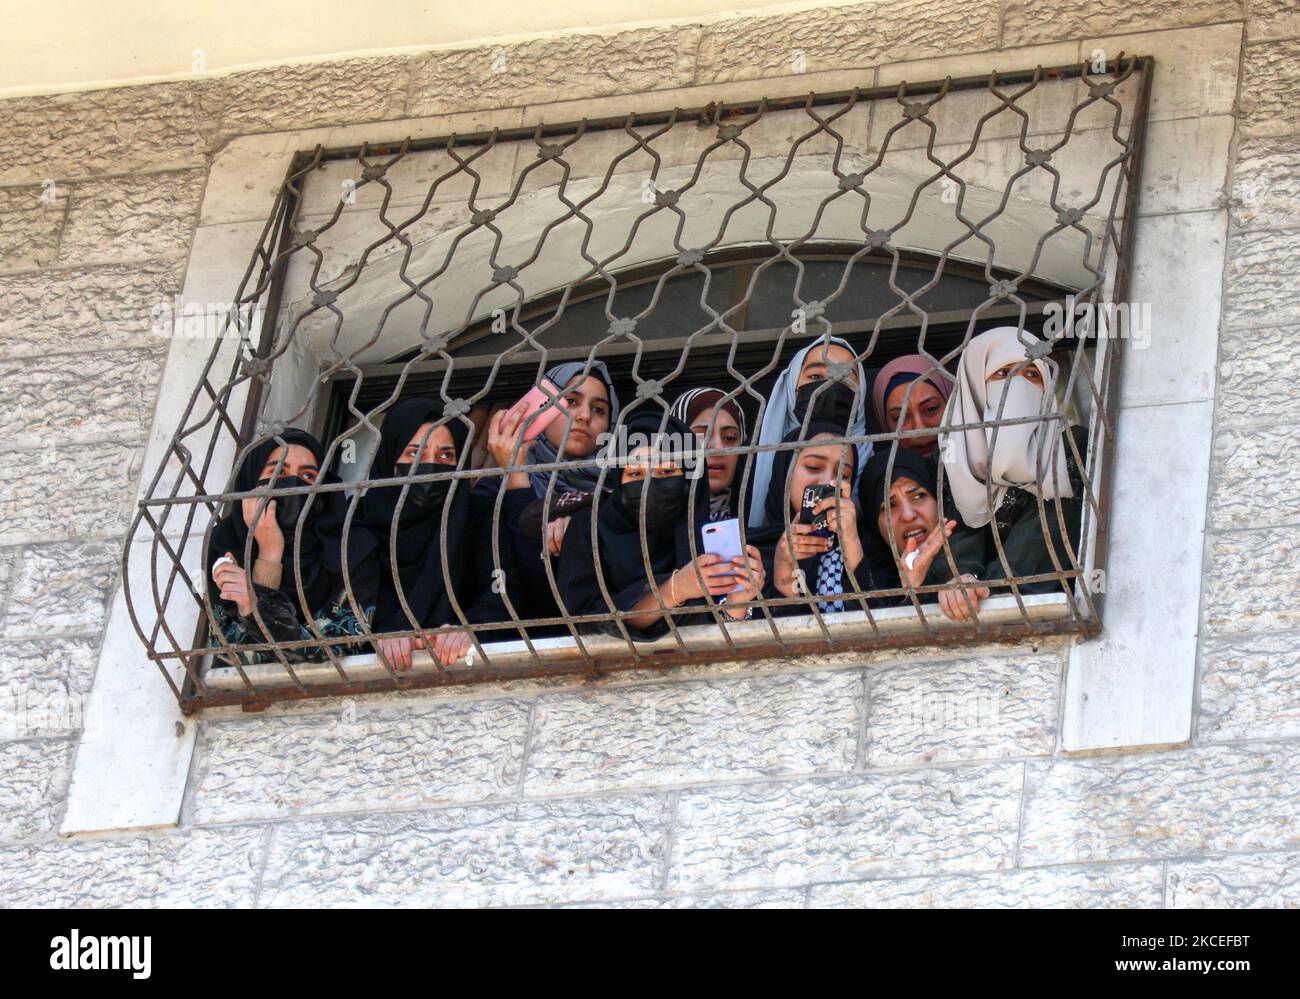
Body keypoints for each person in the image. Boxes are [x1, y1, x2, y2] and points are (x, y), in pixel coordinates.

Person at [556, 410, 765, 639]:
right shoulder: (592, 527)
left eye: (666, 471)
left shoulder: (710, 536)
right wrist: (676, 588)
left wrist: (737, 604)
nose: (649, 486)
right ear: (618, 479)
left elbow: (724, 640)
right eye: (635, 473)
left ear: (688, 479)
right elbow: (585, 622)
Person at [935, 326, 1088, 620]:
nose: (1018, 387)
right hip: (971, 610)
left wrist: (996, 587)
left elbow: (1051, 521)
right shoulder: (953, 450)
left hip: (1045, 609)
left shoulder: (1069, 444)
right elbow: (957, 524)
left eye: (1032, 375)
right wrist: (962, 575)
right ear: (975, 385)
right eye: (1003, 374)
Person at [360, 398, 513, 671]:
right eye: (414, 454)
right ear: (390, 457)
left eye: (445, 456)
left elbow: (502, 590)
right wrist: (384, 632)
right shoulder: (360, 519)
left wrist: (471, 628)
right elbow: (352, 597)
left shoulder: (478, 515)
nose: (429, 467)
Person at [208, 429, 379, 665]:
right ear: (252, 481)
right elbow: (238, 658)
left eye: (308, 476)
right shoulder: (226, 542)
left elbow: (335, 649)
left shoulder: (352, 548)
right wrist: (269, 552)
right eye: (277, 471)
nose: (293, 484)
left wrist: (257, 604)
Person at [481, 360, 621, 627]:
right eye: (570, 401)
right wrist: (516, 479)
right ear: (540, 408)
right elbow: (518, 586)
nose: (584, 416)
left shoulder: (617, 495)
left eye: (599, 409)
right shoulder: (491, 492)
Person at [756, 423, 879, 615]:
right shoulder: (752, 551)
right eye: (813, 467)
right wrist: (782, 571)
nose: (827, 482)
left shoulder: (872, 546)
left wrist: (851, 543)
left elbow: (881, 620)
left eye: (843, 475)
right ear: (784, 471)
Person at [748, 335, 870, 526]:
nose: (830, 387)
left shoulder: (878, 469)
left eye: (845, 381)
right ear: (792, 387)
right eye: (815, 377)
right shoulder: (749, 460)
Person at [861, 447, 975, 620]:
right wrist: (913, 590)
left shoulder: (978, 559)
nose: (908, 515)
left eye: (919, 496)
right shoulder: (867, 590)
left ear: (939, 501)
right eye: (889, 506)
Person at [670, 386, 749, 521]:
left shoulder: (755, 518)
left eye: (730, 438)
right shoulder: (652, 527)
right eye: (701, 437)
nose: (718, 448)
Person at [870, 354, 955, 459]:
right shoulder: (881, 472)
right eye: (900, 417)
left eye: (930, 409)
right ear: (885, 424)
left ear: (950, 403)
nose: (919, 429)